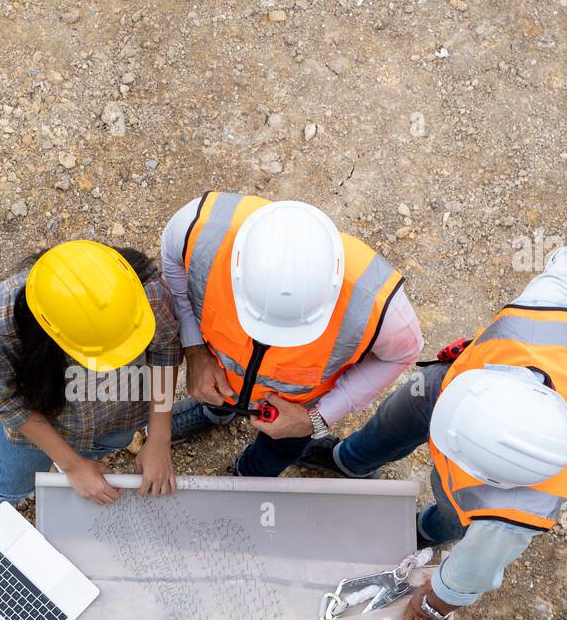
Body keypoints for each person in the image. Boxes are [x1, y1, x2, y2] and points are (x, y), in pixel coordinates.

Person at [298, 238, 567, 620]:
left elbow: (475, 566)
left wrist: (437, 602)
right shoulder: (543, 319)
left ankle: (424, 532)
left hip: (462, 413)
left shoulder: (514, 515)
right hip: (448, 386)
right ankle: (348, 461)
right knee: (391, 423)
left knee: (453, 517)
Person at [0, 240, 181, 574]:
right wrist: (71, 464)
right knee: (1, 483)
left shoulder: (141, 292)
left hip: (120, 415)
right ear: (51, 333)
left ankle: (74, 466)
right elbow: (6, 400)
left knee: (103, 447)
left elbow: (165, 351)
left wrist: (159, 437)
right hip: (42, 425)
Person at [160, 192, 424, 475]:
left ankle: (248, 476)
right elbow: (173, 268)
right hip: (220, 376)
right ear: (237, 268)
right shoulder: (196, 230)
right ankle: (215, 411)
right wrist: (195, 349)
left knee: (275, 454)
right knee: (214, 395)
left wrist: (316, 419)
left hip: (298, 411)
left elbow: (403, 353)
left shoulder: (380, 306)